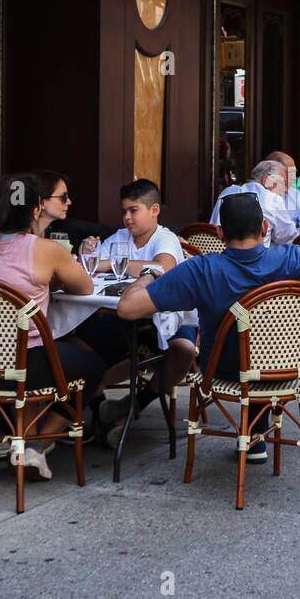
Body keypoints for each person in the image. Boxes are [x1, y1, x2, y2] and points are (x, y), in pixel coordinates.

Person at [118, 193, 300, 462]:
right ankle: (255, 437)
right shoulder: (296, 260)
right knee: (263, 349)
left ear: (220, 232)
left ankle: (254, 436)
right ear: (265, 228)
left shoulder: (201, 269)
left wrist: (149, 273)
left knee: (245, 352)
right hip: (289, 369)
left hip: (223, 369)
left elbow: (127, 309)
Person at [0, 173, 105, 479]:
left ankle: (17, 436)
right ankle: (38, 443)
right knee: (93, 366)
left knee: (44, 354)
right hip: (26, 365)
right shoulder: (45, 250)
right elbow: (85, 287)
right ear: (36, 211)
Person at [73, 179, 197, 433]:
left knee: (184, 349)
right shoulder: (120, 237)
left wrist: (111, 263)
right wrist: (88, 252)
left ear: (154, 211)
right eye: (124, 211)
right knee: (91, 344)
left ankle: (135, 403)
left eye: (133, 210)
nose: (127, 218)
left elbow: (164, 267)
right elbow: (94, 265)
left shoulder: (165, 238)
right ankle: (98, 413)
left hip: (168, 316)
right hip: (123, 314)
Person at [210, 159, 299, 245]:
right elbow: (288, 237)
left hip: (220, 257)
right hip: (257, 258)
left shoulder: (226, 193)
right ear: (266, 181)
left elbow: (213, 232)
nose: (286, 190)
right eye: (283, 183)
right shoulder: (273, 199)